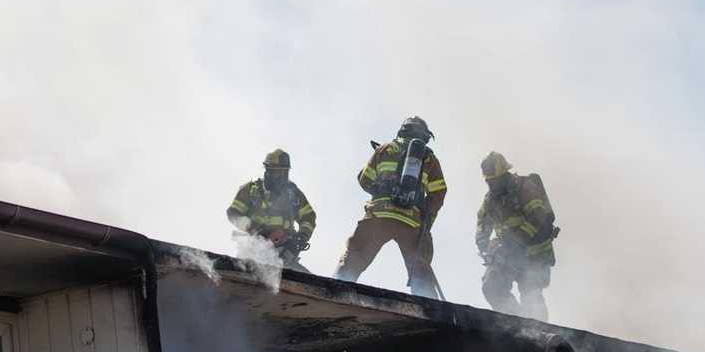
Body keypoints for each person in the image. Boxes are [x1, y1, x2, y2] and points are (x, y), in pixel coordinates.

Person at [334, 116, 447, 298]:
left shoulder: (384, 149)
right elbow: (439, 193)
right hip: (411, 221)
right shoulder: (429, 159)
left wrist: (381, 187)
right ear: (424, 137)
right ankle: (429, 307)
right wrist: (426, 221)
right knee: (419, 269)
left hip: (379, 216)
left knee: (354, 258)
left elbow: (364, 180)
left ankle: (335, 291)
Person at [475, 152, 558, 320]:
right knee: (491, 286)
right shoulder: (491, 199)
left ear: (504, 175)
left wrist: (515, 240)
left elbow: (537, 217)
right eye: (488, 180)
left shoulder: (525, 187)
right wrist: (484, 244)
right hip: (509, 254)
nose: (491, 184)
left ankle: (538, 331)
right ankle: (516, 324)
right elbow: (482, 223)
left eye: (494, 179)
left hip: (535, 255)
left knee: (531, 298)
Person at [226, 149, 316, 271]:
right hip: (253, 250)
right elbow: (233, 213)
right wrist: (255, 229)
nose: (282, 177)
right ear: (268, 171)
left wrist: (301, 237)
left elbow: (308, 216)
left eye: (284, 173)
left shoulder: (293, 194)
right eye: (278, 172)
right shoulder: (251, 190)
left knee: (309, 280)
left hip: (284, 253)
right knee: (242, 273)